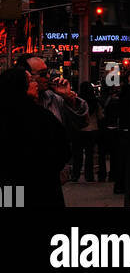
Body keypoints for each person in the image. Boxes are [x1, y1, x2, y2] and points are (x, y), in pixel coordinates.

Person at [0, 66, 71, 208]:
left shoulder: (5, 115)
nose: (35, 83)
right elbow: (62, 151)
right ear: (21, 86)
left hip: (10, 188)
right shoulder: (41, 118)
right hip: (42, 187)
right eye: (31, 80)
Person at [71, 81, 105, 182]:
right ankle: (89, 175)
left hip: (79, 130)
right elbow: (100, 116)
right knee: (90, 154)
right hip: (92, 129)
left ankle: (75, 174)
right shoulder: (95, 101)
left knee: (77, 154)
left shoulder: (77, 101)